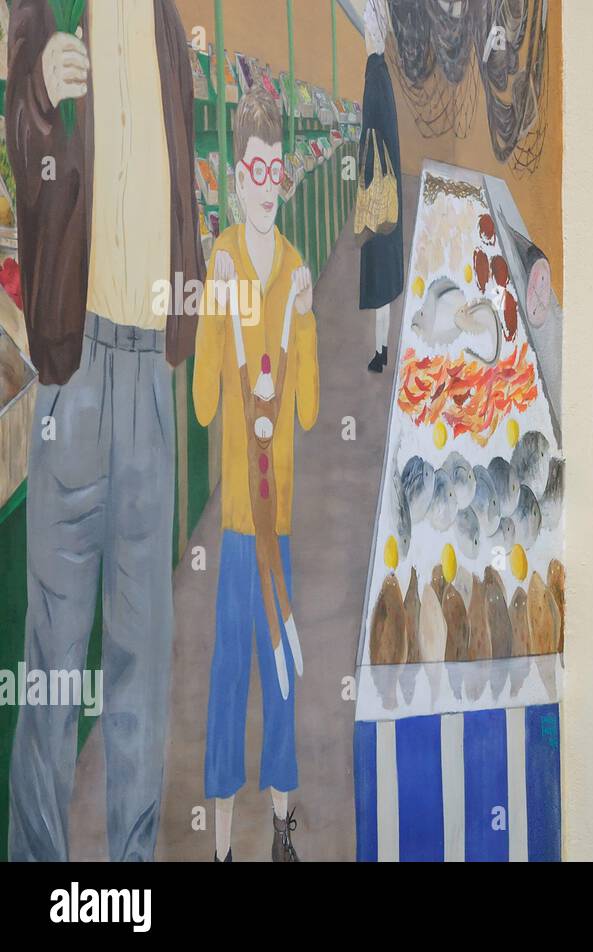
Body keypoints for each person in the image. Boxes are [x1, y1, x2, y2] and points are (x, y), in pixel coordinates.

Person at [6, 0, 204, 862]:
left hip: (151, 375)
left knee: (142, 656)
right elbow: (21, 127)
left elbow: (182, 179)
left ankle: (133, 876)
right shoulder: (42, 7)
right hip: (73, 365)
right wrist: (42, 89)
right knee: (52, 653)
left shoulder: (165, 24)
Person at [193, 89, 319, 862]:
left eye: (275, 169)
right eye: (253, 171)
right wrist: (216, 310)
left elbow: (308, 410)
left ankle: (279, 831)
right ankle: (222, 847)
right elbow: (208, 399)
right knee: (228, 673)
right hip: (243, 518)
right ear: (237, 182)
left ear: (282, 178)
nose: (265, 183)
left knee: (283, 676)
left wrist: (301, 318)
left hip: (284, 518)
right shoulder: (225, 259)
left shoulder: (299, 267)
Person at [359, 0, 404, 373]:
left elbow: (372, 141)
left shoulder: (374, 75)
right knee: (382, 275)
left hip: (377, 194)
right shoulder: (382, 73)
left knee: (378, 276)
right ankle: (381, 349)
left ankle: (380, 352)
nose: (363, 31)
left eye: (366, 25)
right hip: (384, 191)